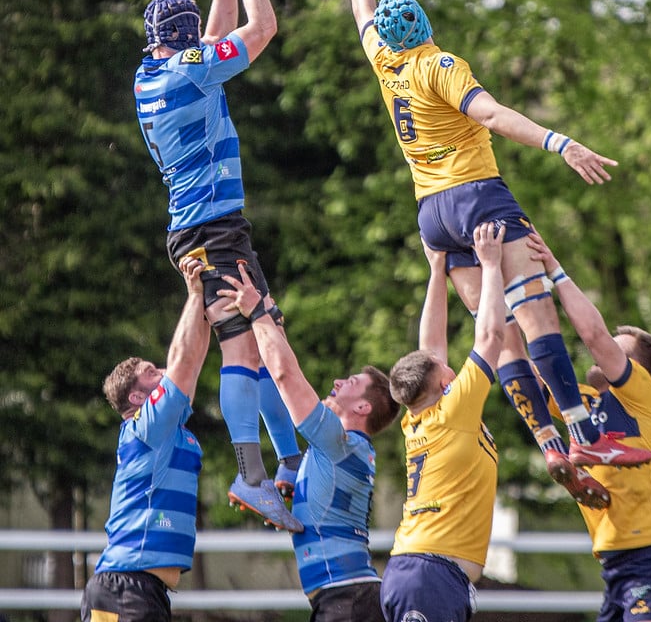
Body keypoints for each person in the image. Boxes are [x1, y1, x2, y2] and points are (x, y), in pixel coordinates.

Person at [349, 0, 651, 504]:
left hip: (431, 215)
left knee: (502, 335)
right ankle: (585, 431)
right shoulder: (440, 64)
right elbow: (490, 115)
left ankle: (546, 440)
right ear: (426, 26)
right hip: (477, 196)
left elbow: (362, 7)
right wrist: (561, 143)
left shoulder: (383, 57)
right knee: (535, 315)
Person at [132, 0, 302, 530]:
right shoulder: (193, 69)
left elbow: (212, 36)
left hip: (194, 230)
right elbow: (263, 29)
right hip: (214, 229)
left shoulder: (152, 75)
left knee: (262, 339)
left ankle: (283, 466)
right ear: (184, 41)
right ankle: (254, 475)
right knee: (245, 348)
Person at [216, 261, 400, 622]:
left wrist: (257, 312)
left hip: (347, 601)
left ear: (362, 406)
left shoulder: (339, 441)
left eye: (350, 382)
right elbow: (279, 370)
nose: (336, 381)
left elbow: (285, 376)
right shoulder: (343, 449)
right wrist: (270, 317)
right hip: (347, 599)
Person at [526, 229, 651, 622]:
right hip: (616, 567)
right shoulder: (580, 401)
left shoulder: (644, 398)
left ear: (641, 372)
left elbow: (593, 334)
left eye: (619, 352)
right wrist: (508, 287)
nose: (601, 352)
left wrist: (554, 268)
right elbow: (529, 376)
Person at [378, 221, 504, 622]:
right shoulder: (454, 410)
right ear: (443, 380)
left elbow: (428, 350)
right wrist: (492, 265)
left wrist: (437, 270)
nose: (449, 365)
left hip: (424, 571)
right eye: (444, 367)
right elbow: (490, 338)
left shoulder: (419, 417)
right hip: (428, 575)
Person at [80, 256, 210, 622]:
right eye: (152, 372)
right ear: (138, 399)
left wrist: (204, 311)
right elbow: (184, 361)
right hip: (125, 587)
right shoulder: (147, 425)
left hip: (136, 588)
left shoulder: (167, 427)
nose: (165, 372)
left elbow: (192, 363)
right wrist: (195, 291)